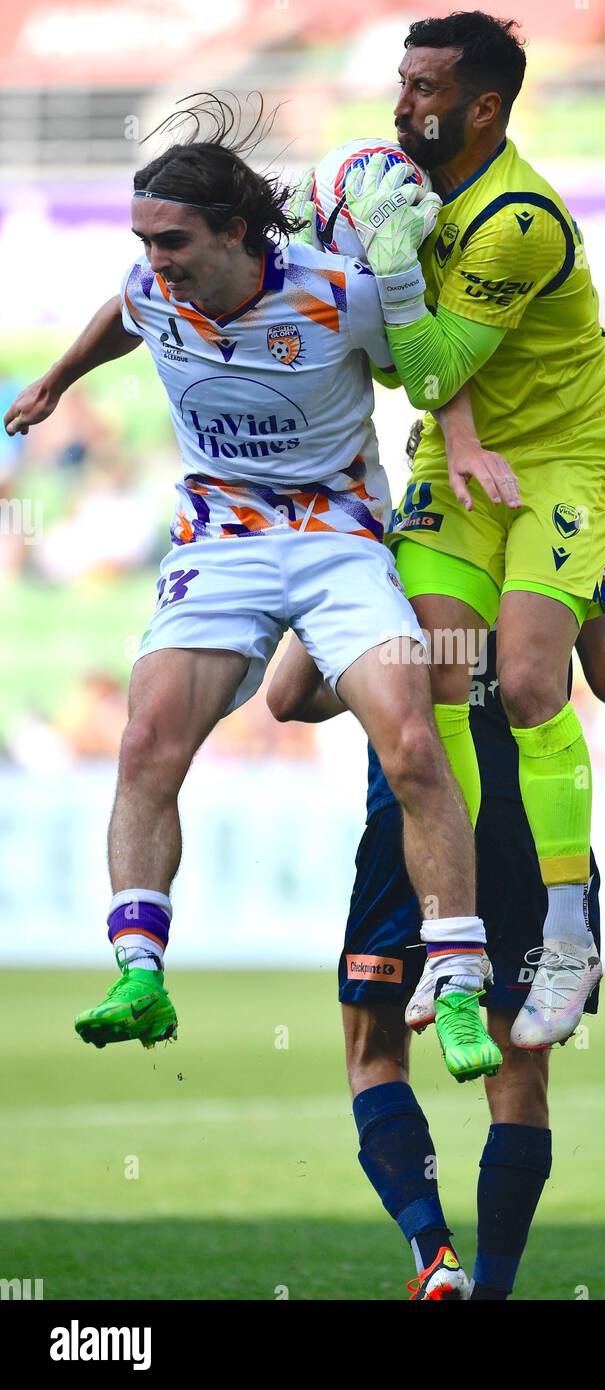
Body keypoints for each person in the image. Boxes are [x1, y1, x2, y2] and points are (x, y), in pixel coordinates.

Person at [3, 107, 503, 1083]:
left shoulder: (334, 294)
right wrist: (59, 378)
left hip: (338, 541)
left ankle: (453, 978)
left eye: (173, 239)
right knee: (147, 739)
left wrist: (468, 438)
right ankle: (139, 970)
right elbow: (124, 311)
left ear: (235, 231)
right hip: (221, 543)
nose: (156, 258)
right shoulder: (156, 286)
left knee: (410, 738)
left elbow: (425, 365)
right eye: (144, 240)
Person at [318, 11, 605, 1049]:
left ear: (482, 106)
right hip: (452, 470)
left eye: (424, 87)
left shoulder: (515, 218)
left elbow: (433, 366)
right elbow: (398, 365)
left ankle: (565, 931)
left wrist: (397, 274)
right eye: (401, 80)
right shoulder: (404, 189)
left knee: (537, 686)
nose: (404, 101)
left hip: (555, 464)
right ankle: (456, 946)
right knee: (441, 674)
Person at [269, 523, 605, 1299]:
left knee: (374, 1048)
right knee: (520, 1068)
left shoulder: (382, 539)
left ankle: (431, 1252)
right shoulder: (565, 520)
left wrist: (390, 683)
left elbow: (286, 695)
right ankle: (492, 1290)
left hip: (414, 826)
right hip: (530, 834)